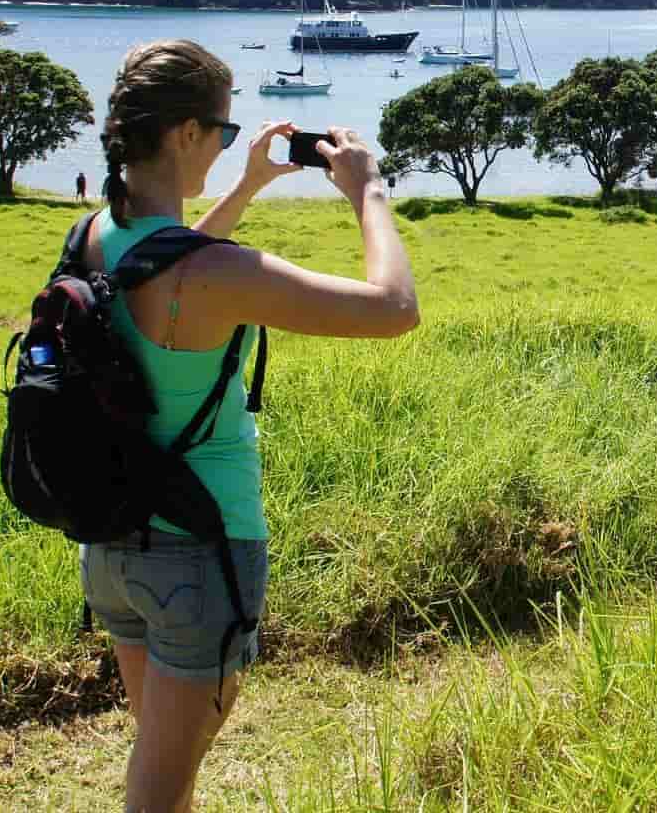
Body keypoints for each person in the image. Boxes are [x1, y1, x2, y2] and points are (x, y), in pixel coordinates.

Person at [79, 40, 419, 812]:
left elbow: (173, 257)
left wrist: (248, 183)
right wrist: (368, 194)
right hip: (199, 559)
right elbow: (395, 309)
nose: (226, 146)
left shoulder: (94, 235)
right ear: (183, 135)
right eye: (224, 133)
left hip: (112, 549)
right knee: (160, 788)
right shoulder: (214, 275)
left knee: (163, 763)